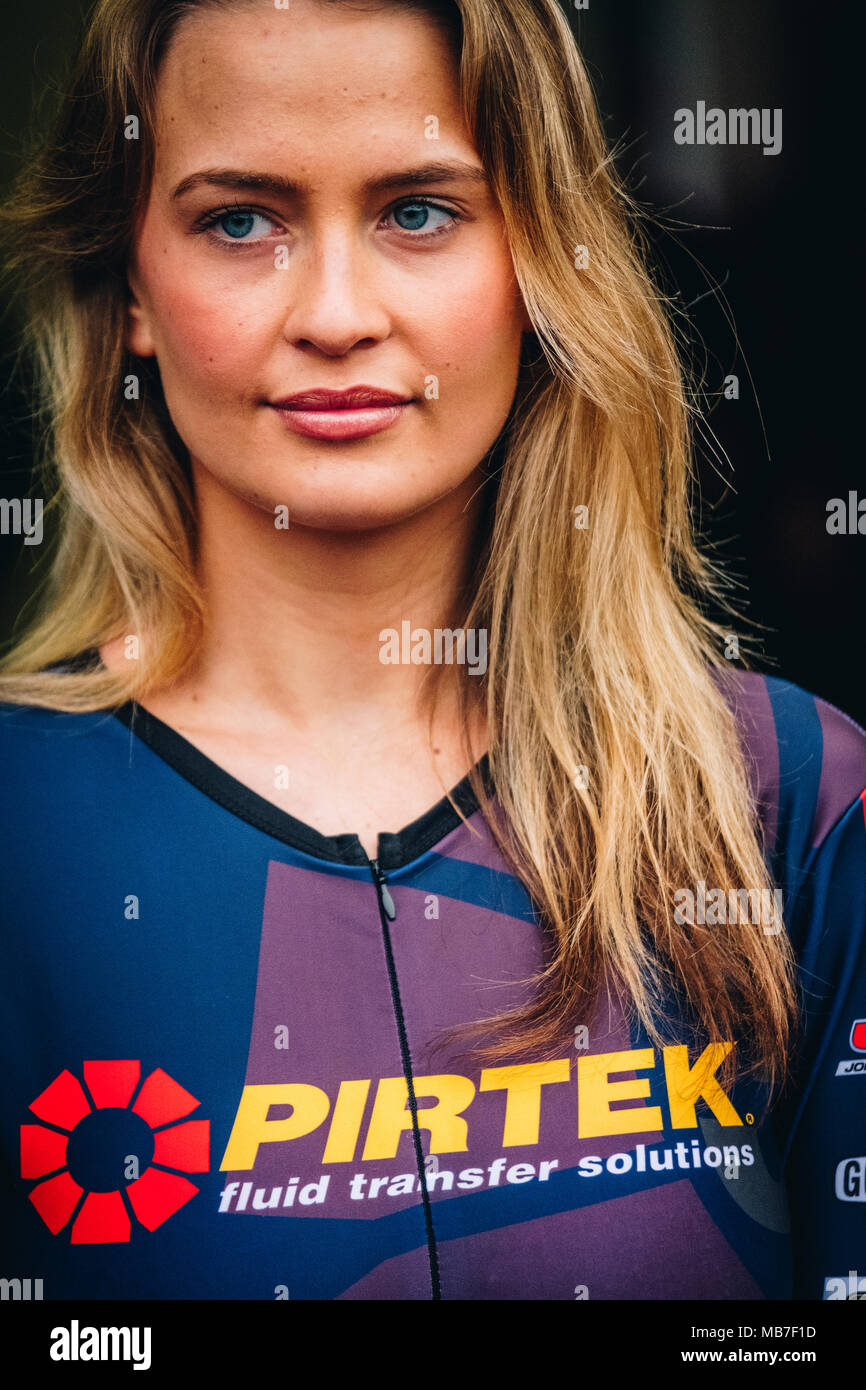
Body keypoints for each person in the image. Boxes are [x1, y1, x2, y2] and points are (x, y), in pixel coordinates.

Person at [0, 0, 863, 1302]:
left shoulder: (791, 793)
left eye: (418, 211)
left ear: (537, 263)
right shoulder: (21, 823)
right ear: (130, 289)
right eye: (240, 219)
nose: (337, 313)